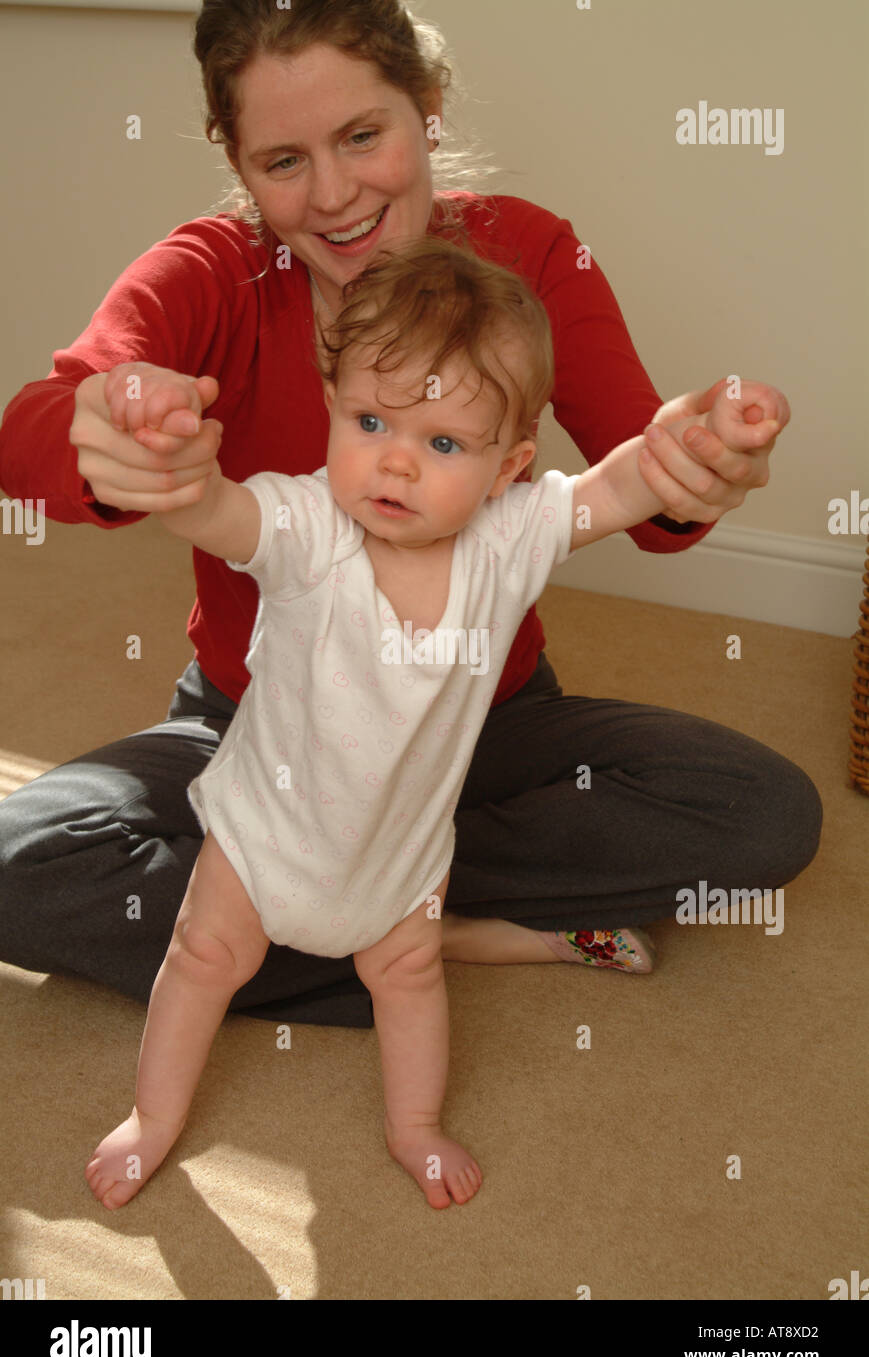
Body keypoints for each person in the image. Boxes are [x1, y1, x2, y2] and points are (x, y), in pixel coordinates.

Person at [0, 0, 821, 1029]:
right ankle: (423, 931)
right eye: (282, 160)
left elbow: (648, 490)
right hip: (254, 736)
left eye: (361, 136)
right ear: (237, 161)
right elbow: (28, 436)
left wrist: (700, 451)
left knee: (762, 814)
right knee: (17, 864)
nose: (334, 194)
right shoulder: (212, 270)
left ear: (424, 109)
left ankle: (329, 906)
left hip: (480, 718)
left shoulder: (525, 248)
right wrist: (101, 422)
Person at [85, 237, 783, 1210]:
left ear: (507, 466)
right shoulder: (306, 530)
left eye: (443, 443)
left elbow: (619, 488)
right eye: (369, 420)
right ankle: (151, 1118)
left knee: (407, 980)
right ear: (333, 407)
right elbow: (211, 510)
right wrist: (172, 457)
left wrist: (692, 440)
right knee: (199, 959)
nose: (396, 461)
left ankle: (412, 1126)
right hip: (261, 839)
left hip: (403, 856)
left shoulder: (508, 540)